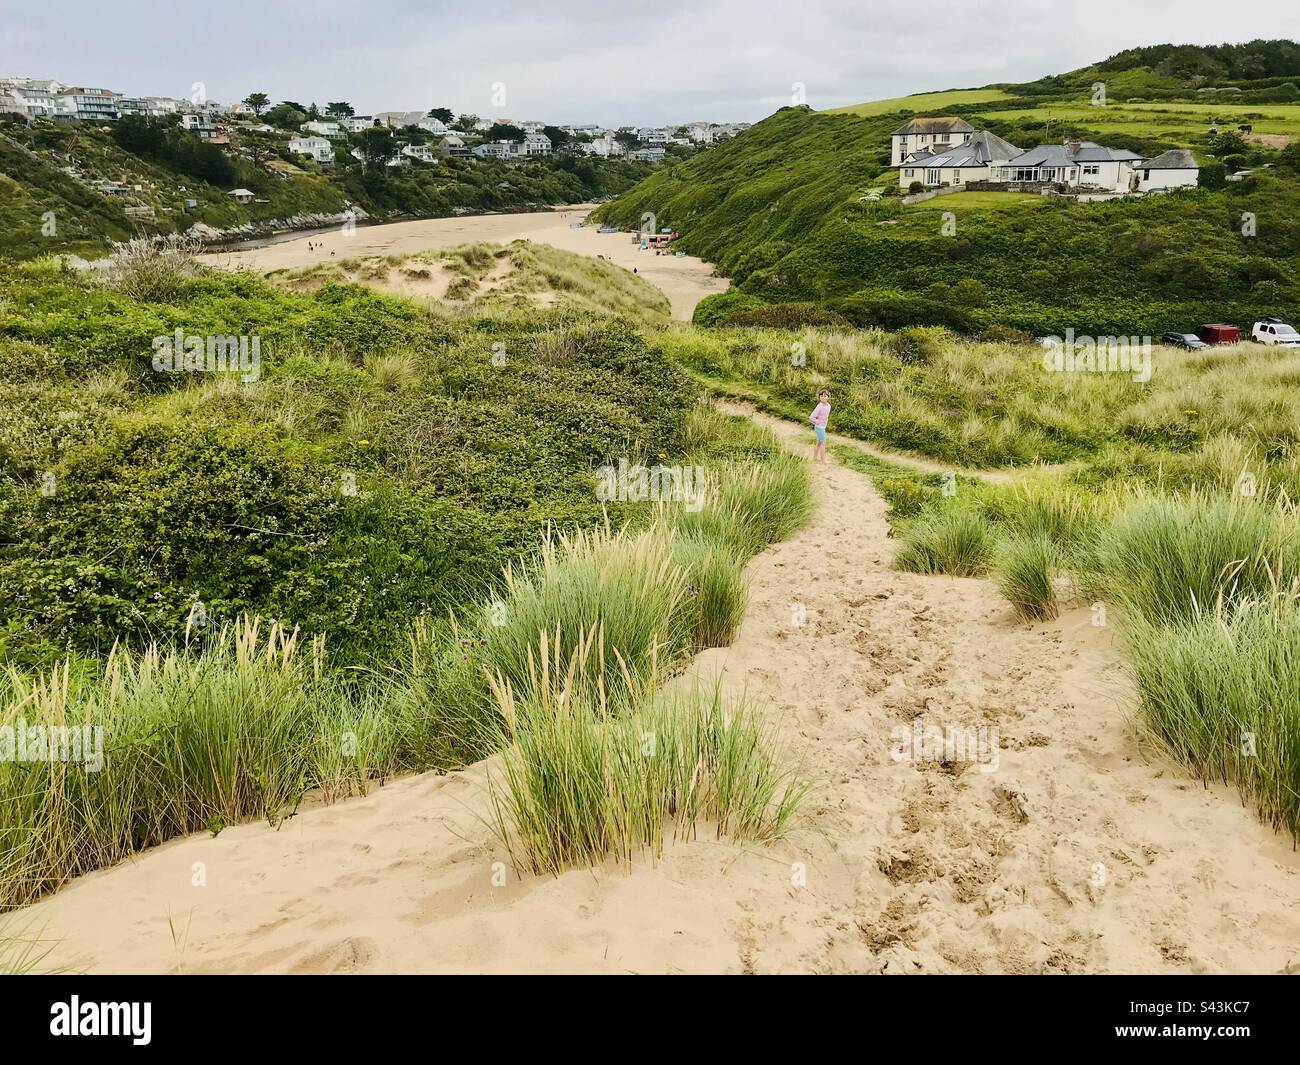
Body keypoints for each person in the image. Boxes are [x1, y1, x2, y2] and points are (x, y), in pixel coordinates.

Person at [809, 390, 831, 465]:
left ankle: (814, 458)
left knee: (819, 442)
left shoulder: (828, 406)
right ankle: (823, 461)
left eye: (825, 396)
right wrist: (818, 422)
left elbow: (826, 416)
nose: (823, 397)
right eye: (821, 396)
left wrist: (824, 423)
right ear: (819, 397)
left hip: (823, 427)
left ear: (828, 397)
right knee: (823, 443)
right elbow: (811, 418)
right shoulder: (819, 407)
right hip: (819, 427)